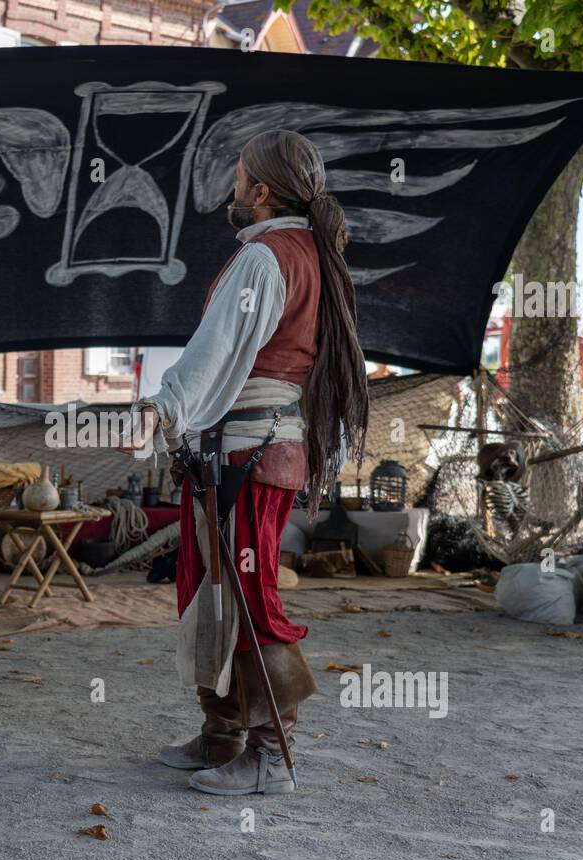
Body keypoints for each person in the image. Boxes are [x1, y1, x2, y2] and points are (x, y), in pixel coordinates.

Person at [129, 129, 369, 795]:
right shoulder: (303, 255)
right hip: (239, 453)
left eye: (240, 179)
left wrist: (165, 407)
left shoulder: (268, 258)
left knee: (248, 599)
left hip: (248, 455)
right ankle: (223, 732)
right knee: (210, 594)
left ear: (260, 192)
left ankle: (269, 750)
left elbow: (217, 349)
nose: (233, 191)